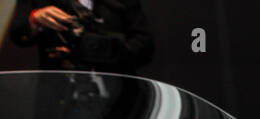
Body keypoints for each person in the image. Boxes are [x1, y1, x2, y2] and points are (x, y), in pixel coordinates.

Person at [9, 0, 153, 74]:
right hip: (60, 96)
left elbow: (144, 47)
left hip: (114, 93)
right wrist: (35, 19)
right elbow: (18, 34)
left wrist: (96, 47)